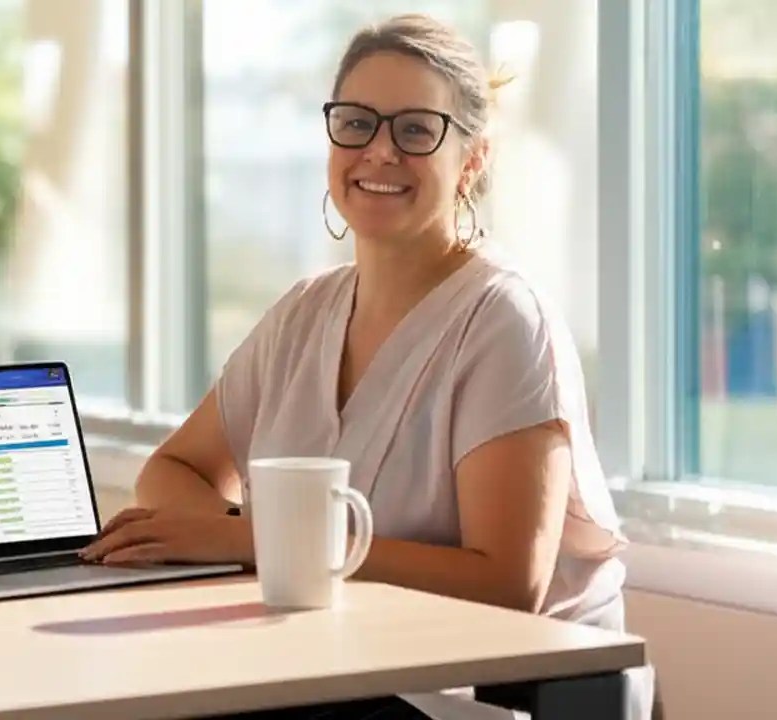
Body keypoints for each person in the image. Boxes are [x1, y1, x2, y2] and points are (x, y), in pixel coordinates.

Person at [82, 13, 651, 720]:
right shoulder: (304, 312)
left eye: (416, 130)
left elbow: (509, 587)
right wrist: (239, 542)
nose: (379, 152)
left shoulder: (504, 321)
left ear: (471, 158)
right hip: (338, 668)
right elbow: (174, 471)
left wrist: (249, 540)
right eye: (356, 123)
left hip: (496, 698)